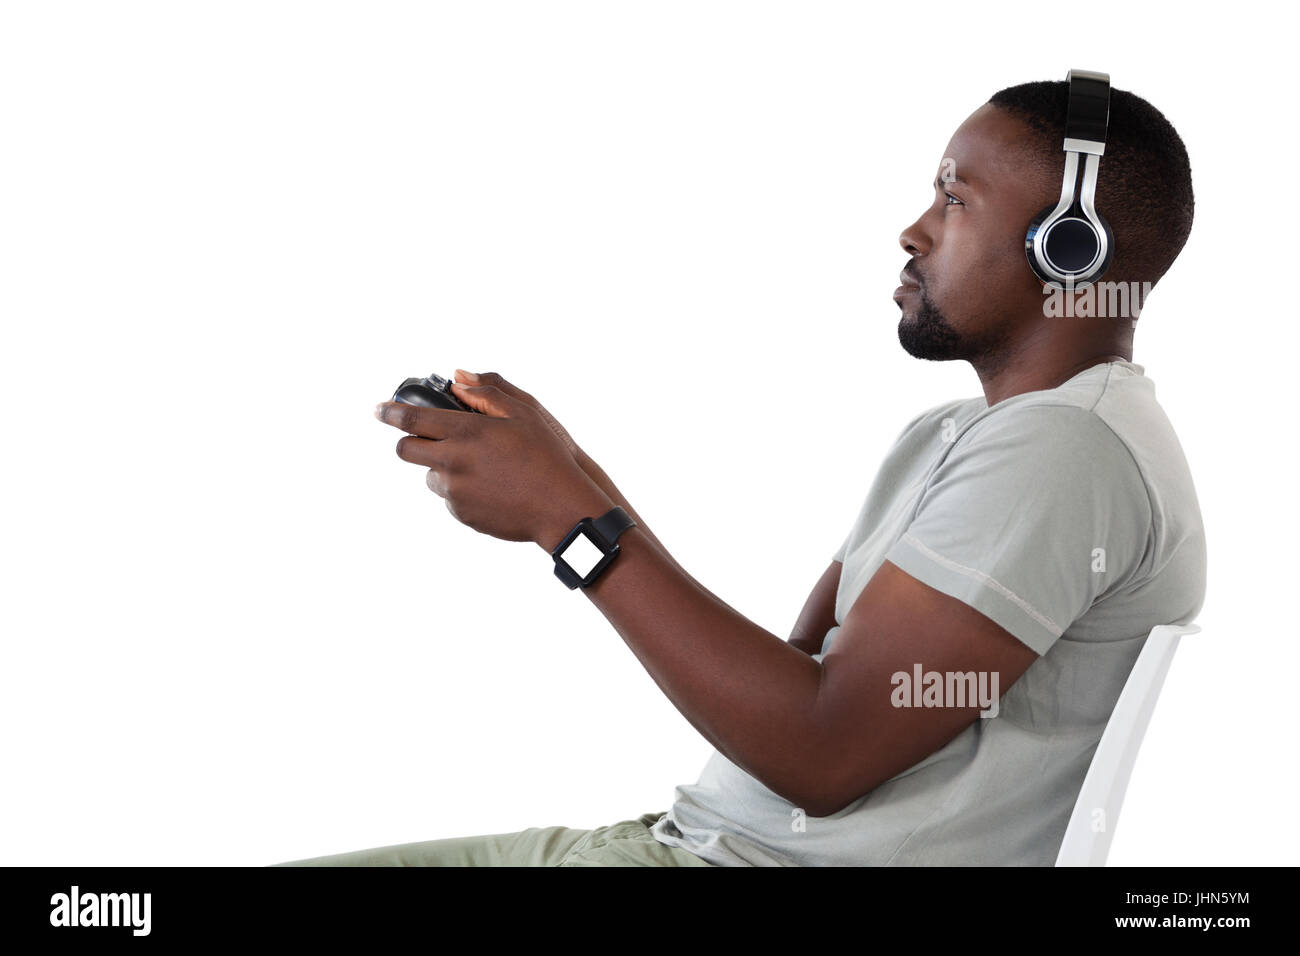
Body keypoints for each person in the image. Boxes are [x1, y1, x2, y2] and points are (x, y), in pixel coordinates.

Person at [271, 75, 1205, 867]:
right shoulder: (963, 433)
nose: (914, 230)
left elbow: (821, 756)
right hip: (690, 843)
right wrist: (565, 470)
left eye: (956, 200)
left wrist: (571, 523)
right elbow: (797, 678)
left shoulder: (1064, 452)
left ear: (1071, 250)